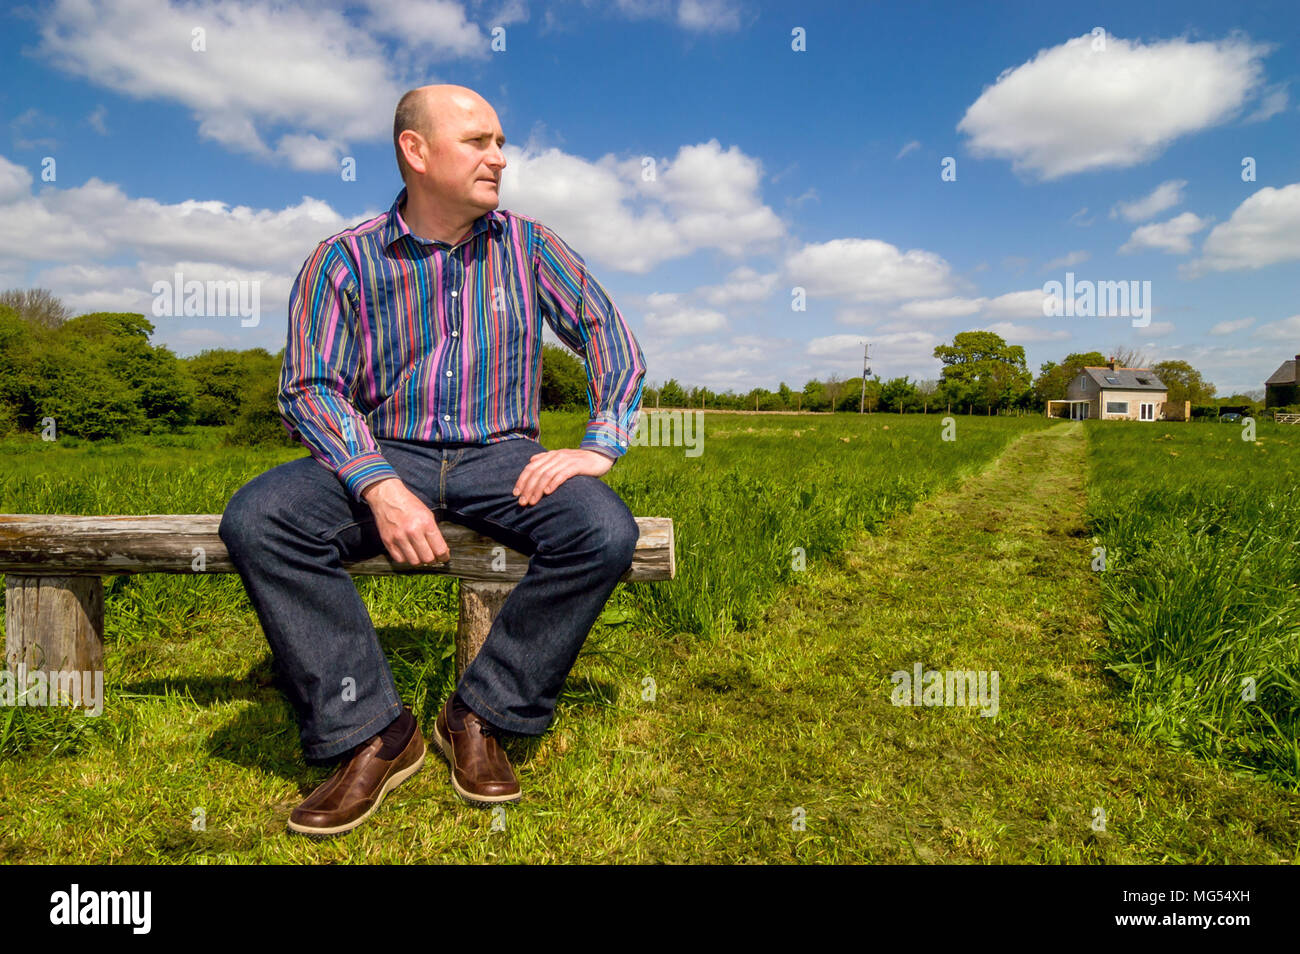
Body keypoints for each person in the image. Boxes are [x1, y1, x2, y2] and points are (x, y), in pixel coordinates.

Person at [218, 84, 647, 836]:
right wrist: (378, 483)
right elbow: (309, 388)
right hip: (386, 453)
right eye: (479, 141)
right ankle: (372, 731)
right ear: (415, 152)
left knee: (603, 532)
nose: (500, 158)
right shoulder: (343, 259)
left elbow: (608, 336)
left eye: (502, 142)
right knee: (259, 519)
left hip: (502, 458)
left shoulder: (529, 245)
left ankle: (480, 714)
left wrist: (599, 444)